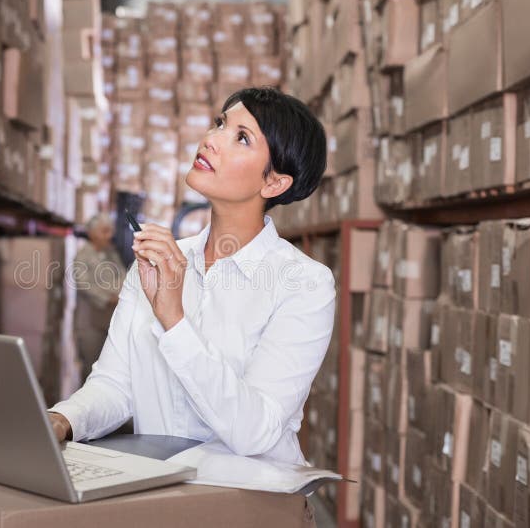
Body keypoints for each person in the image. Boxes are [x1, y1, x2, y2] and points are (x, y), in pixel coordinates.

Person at [49, 87, 335, 465]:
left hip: (252, 504)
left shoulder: (305, 284)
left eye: (241, 137)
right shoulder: (159, 260)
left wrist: (174, 320)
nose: (211, 140)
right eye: (220, 123)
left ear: (273, 183)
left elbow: (256, 431)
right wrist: (60, 420)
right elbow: (116, 386)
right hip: (164, 495)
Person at [73, 213, 127, 384]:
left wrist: (121, 293)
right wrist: (109, 298)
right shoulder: (83, 256)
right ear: (92, 233)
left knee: (107, 369)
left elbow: (122, 277)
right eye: (104, 231)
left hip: (109, 320)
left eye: (110, 231)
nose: (109, 236)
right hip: (90, 322)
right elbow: (84, 285)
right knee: (90, 367)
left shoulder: (111, 253)